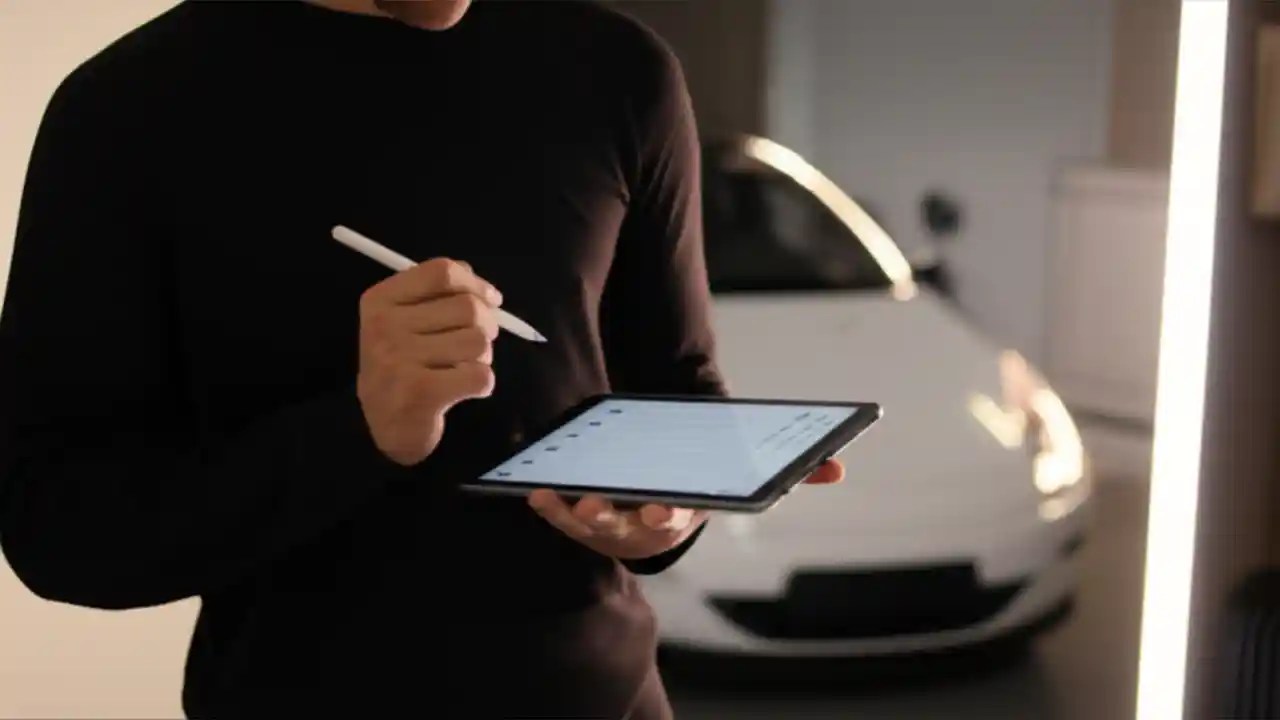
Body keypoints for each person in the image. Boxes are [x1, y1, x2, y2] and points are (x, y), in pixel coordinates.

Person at [0, 0, 844, 716]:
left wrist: (661, 519)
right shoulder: (129, 107)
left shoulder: (618, 69)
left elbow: (677, 386)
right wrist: (359, 433)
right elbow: (63, 534)